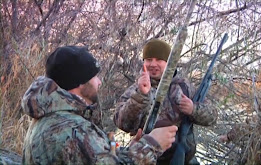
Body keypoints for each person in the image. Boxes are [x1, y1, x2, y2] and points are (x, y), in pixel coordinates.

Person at [21, 46, 178, 165]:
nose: (99, 82)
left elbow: (97, 157)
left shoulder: (56, 117)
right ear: (79, 82)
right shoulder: (73, 131)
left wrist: (132, 148)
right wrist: (151, 145)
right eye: (94, 76)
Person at [113, 39, 218, 165]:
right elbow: (122, 124)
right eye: (149, 59)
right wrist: (141, 97)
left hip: (184, 158)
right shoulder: (137, 89)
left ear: (169, 62)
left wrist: (193, 109)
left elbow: (212, 117)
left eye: (158, 60)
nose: (153, 64)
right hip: (147, 159)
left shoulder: (183, 86)